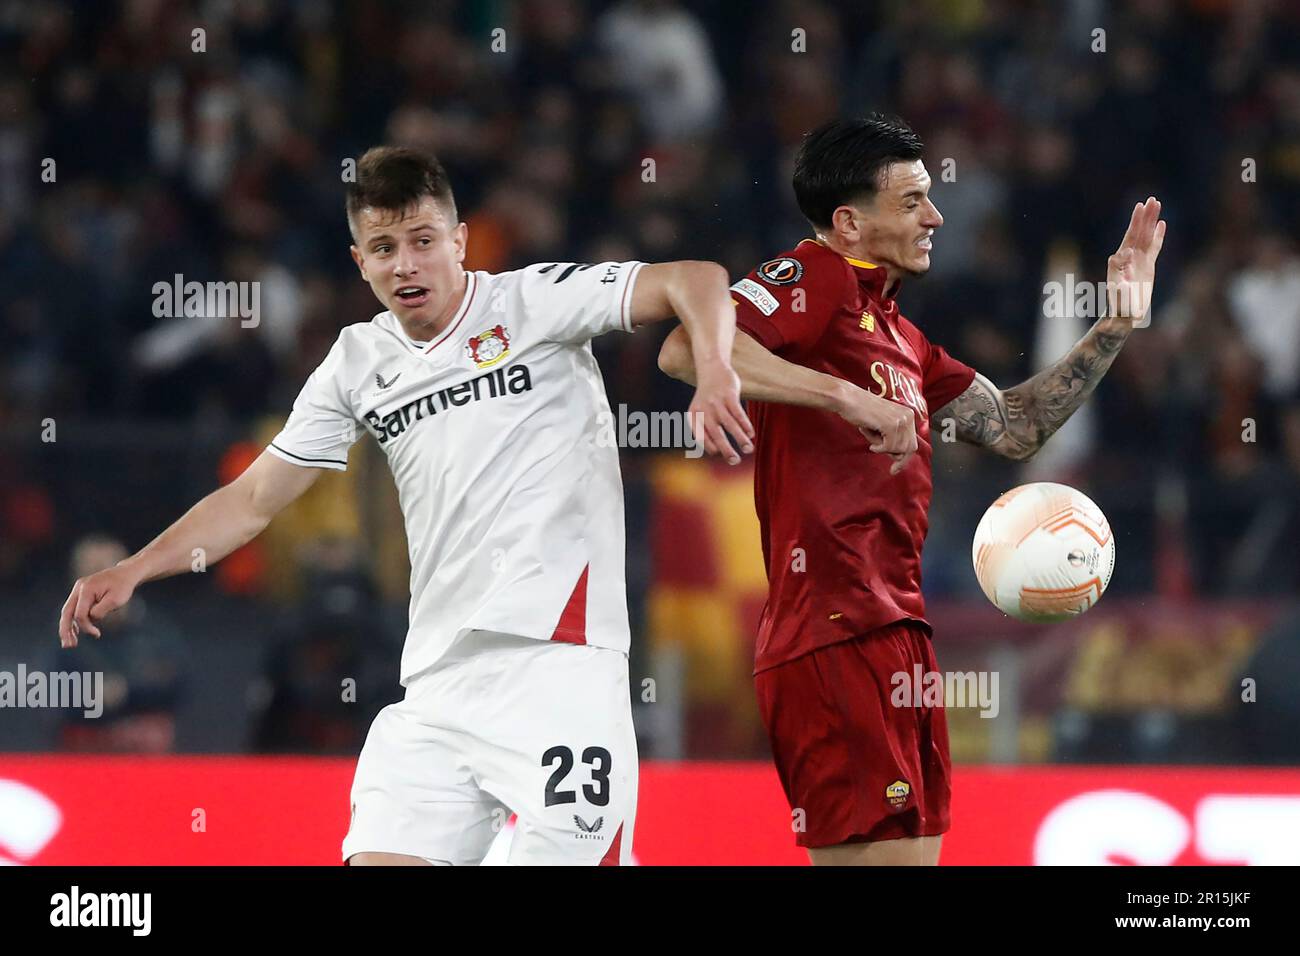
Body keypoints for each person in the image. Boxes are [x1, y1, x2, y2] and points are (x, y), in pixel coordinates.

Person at [58, 145, 754, 866]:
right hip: (436, 684)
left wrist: (715, 374)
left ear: (458, 242)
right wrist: (136, 568)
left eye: (423, 242)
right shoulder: (357, 361)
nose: (406, 264)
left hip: (560, 667)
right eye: (384, 247)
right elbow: (255, 497)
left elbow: (694, 279)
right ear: (359, 260)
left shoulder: (533, 302)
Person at [658, 114, 1165, 865]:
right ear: (848, 222)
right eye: (912, 201)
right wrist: (846, 398)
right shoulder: (814, 275)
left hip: (897, 632)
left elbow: (1015, 426)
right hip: (831, 632)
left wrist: (1116, 326)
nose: (935, 216)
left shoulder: (901, 336)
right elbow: (687, 349)